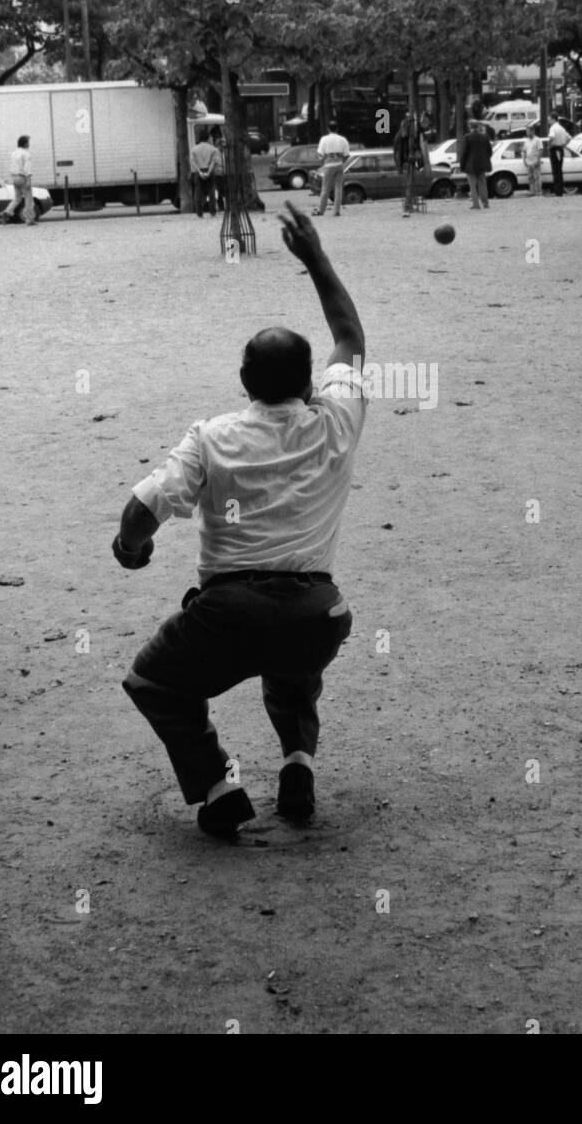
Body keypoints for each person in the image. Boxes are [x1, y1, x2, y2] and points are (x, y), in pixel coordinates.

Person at [116, 201, 366, 839]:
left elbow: (145, 506)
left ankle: (219, 785)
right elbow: (350, 338)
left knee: (153, 681)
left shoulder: (213, 435)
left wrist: (130, 548)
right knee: (295, 666)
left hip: (230, 613)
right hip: (319, 612)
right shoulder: (337, 418)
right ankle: (298, 765)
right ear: (310, 383)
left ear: (242, 380)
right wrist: (314, 258)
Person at [315, 119, 350, 217]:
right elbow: (347, 155)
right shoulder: (343, 139)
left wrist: (324, 162)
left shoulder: (324, 139)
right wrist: (342, 161)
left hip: (328, 165)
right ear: (337, 128)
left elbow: (320, 154)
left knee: (325, 188)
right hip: (339, 165)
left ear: (328, 129)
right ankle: (336, 211)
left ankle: (321, 210)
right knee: (338, 188)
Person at [458, 119, 492, 209]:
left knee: (472, 186)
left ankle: (475, 204)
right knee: (482, 184)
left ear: (470, 126)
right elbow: (490, 151)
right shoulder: (485, 137)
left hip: (470, 165)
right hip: (482, 164)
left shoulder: (467, 137)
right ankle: (485, 203)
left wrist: (462, 165)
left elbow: (464, 152)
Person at [3, 136, 35, 225]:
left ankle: (8, 211)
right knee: (28, 199)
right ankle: (29, 219)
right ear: (25, 143)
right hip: (22, 177)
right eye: (28, 142)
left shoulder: (14, 153)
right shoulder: (26, 154)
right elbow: (27, 168)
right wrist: (28, 180)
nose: (29, 144)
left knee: (17, 198)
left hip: (14, 177)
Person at [190, 131, 219, 218]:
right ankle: (212, 212)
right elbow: (214, 162)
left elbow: (193, 162)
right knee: (211, 192)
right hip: (209, 171)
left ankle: (199, 213)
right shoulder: (213, 149)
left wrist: (200, 172)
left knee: (198, 193)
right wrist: (209, 172)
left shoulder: (194, 149)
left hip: (199, 171)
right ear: (208, 138)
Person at [547, 114, 571, 197]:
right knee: (559, 170)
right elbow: (569, 138)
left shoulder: (553, 128)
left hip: (554, 149)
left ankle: (557, 191)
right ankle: (560, 190)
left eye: (549, 120)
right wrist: (563, 145)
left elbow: (551, 137)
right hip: (560, 149)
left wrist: (549, 145)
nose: (548, 122)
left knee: (555, 171)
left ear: (554, 119)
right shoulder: (561, 128)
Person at [522, 124, 543, 196]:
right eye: (526, 132)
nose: (527, 133)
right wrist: (524, 160)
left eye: (528, 131)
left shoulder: (537, 140)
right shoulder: (526, 141)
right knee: (530, 177)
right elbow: (524, 151)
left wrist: (538, 159)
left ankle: (538, 191)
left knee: (537, 176)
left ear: (532, 131)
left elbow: (540, 150)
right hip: (529, 162)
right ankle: (532, 191)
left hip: (535, 161)